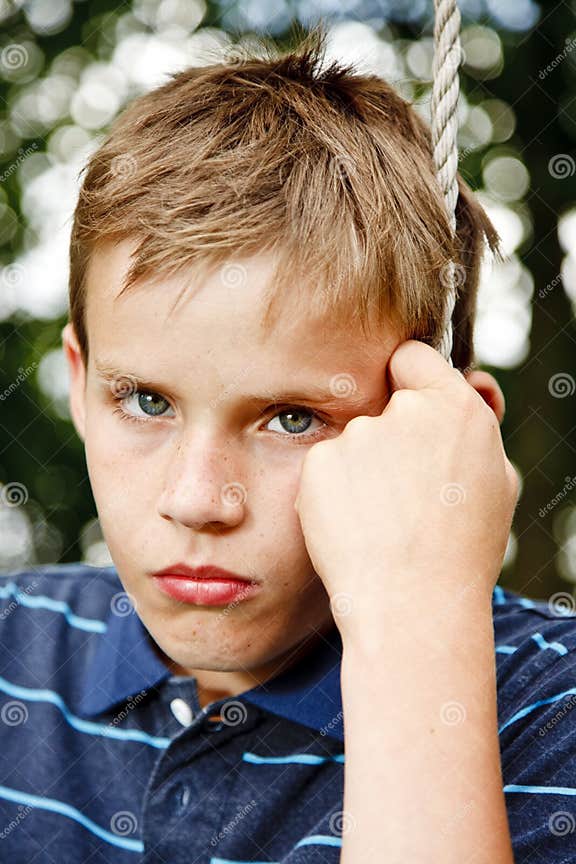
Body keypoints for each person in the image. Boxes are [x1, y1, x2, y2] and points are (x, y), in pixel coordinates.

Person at [0, 25, 573, 864]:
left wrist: (414, 623)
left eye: (293, 418)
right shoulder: (12, 646)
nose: (198, 500)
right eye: (147, 401)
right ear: (82, 386)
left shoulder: (551, 713)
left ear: (456, 437)